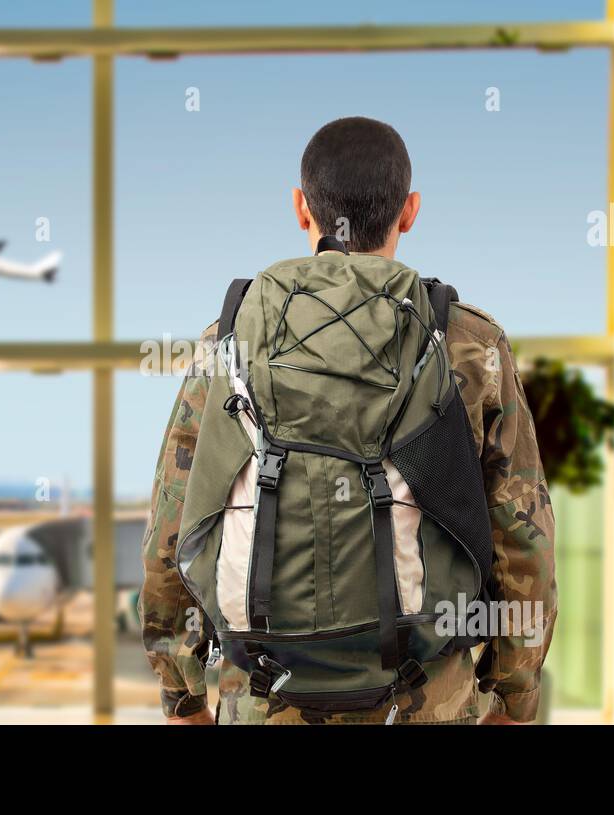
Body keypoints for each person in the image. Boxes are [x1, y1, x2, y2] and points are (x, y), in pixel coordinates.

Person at [140, 116, 556, 725]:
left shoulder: (228, 341)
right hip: (427, 699)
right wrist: (514, 697)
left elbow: (170, 530)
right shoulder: (467, 343)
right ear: (408, 211)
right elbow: (522, 540)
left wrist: (180, 692)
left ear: (300, 208)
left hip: (261, 696)